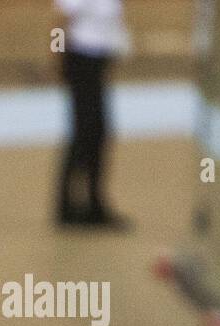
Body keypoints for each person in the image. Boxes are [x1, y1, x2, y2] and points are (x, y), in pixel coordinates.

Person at [55, 0, 132, 228]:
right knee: (83, 133)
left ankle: (94, 203)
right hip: (80, 59)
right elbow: (60, 22)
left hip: (98, 61)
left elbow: (112, 24)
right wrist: (58, 59)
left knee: (98, 132)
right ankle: (66, 206)